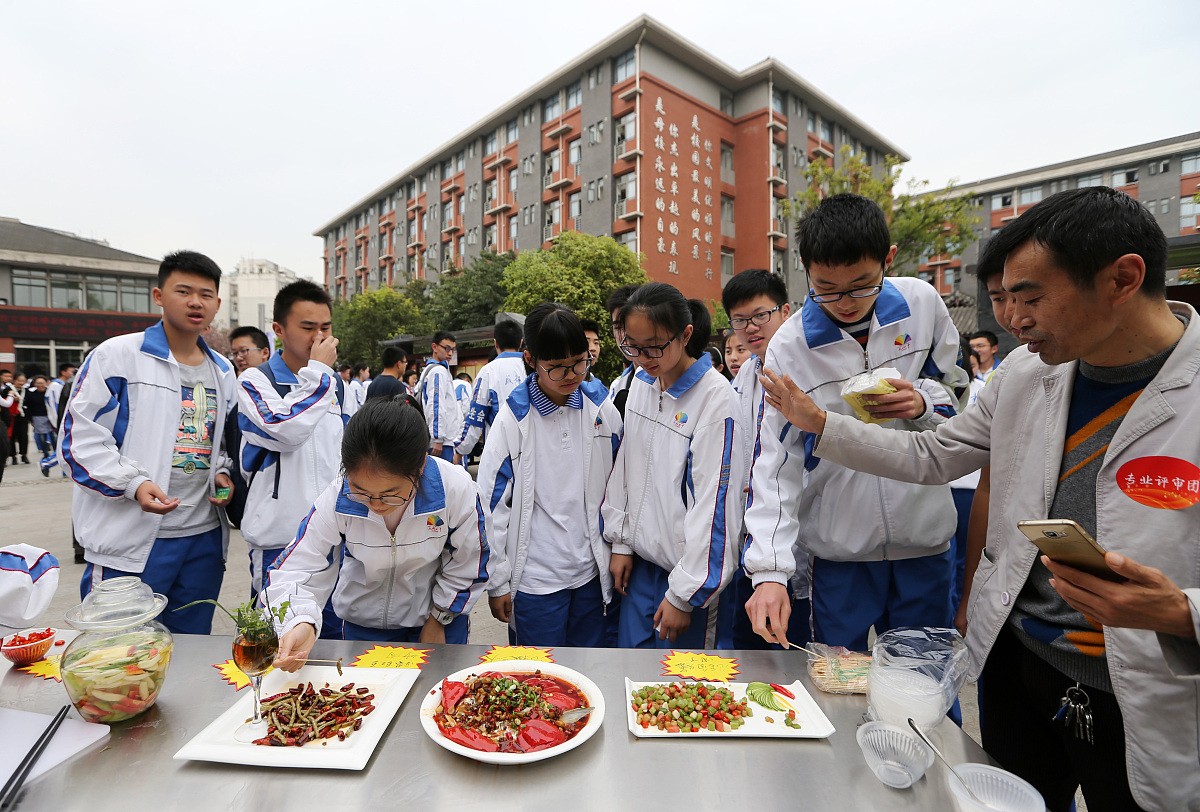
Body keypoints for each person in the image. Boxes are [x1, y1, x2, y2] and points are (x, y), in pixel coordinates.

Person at [763, 187, 1198, 811]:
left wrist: (1184, 612)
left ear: (1122, 278)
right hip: (1019, 666)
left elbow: (943, 396)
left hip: (1142, 686)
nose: (1013, 321)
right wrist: (823, 425)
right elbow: (935, 454)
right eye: (1003, 299)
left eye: (1031, 297)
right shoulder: (1027, 374)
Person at [743, 194, 968, 653]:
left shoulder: (922, 305)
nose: (844, 302)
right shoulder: (790, 346)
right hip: (840, 550)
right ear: (804, 268)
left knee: (924, 686)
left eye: (862, 285)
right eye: (826, 288)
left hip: (924, 542)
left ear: (888, 260)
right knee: (836, 682)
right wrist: (768, 571)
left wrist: (923, 402)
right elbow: (777, 461)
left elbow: (961, 399)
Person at [62, 251, 236, 634]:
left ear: (217, 304)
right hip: (132, 539)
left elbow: (218, 441)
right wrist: (133, 483)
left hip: (202, 537)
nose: (195, 302)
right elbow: (78, 443)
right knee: (116, 655)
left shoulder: (223, 371)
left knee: (190, 650)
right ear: (158, 295)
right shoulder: (117, 357)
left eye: (205, 295)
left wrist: (222, 474)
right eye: (183, 291)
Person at [268, 396, 491, 662]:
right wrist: (300, 621)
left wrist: (439, 618)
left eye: (390, 495)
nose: (375, 505)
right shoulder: (338, 497)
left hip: (440, 618)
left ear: (420, 466)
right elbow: (297, 567)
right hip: (364, 627)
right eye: (361, 492)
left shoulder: (455, 490)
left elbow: (471, 559)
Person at [602, 282, 743, 649]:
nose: (644, 357)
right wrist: (621, 542)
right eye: (632, 346)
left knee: (683, 691)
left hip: (691, 574)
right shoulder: (641, 383)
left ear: (686, 335)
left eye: (655, 346)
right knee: (631, 677)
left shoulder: (716, 401)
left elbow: (716, 505)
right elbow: (626, 469)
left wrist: (685, 594)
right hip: (641, 566)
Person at [478, 303, 622, 647]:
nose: (572, 375)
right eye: (557, 368)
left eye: (579, 362)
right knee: (540, 681)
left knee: (590, 674)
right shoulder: (513, 420)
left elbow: (622, 483)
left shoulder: (600, 409)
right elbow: (492, 506)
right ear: (531, 360)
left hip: (590, 574)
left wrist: (622, 547)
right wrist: (498, 581)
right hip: (536, 583)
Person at [237, 279, 344, 604]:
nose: (319, 337)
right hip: (278, 539)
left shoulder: (337, 385)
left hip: (332, 538)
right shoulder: (255, 380)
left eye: (326, 327)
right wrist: (320, 374)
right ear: (278, 329)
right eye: (308, 327)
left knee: (332, 642)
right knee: (277, 637)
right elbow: (283, 428)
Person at [719, 268, 806, 651]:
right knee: (747, 653)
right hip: (749, 542)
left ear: (784, 311)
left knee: (790, 653)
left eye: (760, 315)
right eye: (740, 320)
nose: (750, 327)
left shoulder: (802, 369)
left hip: (793, 546)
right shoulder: (743, 377)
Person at [454, 319, 526, 466]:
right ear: (521, 342)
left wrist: (461, 449)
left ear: (495, 343)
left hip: (500, 454)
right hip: (532, 451)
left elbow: (475, 418)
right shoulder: (535, 370)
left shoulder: (487, 372)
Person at [223, 326, 271, 530]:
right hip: (246, 496)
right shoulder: (237, 395)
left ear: (265, 352)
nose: (239, 357)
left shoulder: (282, 395)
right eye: (234, 353)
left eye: (244, 351)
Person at [416, 331, 463, 462]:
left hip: (440, 439)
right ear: (434, 347)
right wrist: (437, 438)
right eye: (447, 348)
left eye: (453, 349)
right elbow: (436, 404)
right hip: (443, 442)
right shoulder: (438, 371)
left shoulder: (430, 369)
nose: (450, 353)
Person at [605, 284, 641, 412]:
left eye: (630, 326)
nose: (625, 336)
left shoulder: (666, 381)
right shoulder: (618, 386)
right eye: (618, 327)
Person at [26, 376, 54, 459]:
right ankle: (45, 453)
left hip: (51, 416)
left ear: (46, 383)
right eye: (38, 383)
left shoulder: (50, 393)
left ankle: (56, 452)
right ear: (34, 384)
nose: (40, 385)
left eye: (42, 383)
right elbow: (29, 407)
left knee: (54, 436)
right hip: (37, 417)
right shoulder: (31, 394)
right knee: (42, 437)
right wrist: (31, 419)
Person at [44, 362, 75, 438]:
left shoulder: (68, 384)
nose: (73, 374)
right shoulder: (55, 385)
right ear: (63, 372)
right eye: (71, 371)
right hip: (59, 418)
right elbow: (54, 403)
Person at [8, 373, 29, 465]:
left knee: (23, 436)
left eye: (23, 381)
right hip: (11, 417)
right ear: (14, 380)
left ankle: (24, 455)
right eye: (19, 380)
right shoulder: (8, 390)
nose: (21, 382)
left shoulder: (27, 391)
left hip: (23, 416)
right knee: (11, 436)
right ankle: (13, 456)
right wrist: (12, 398)